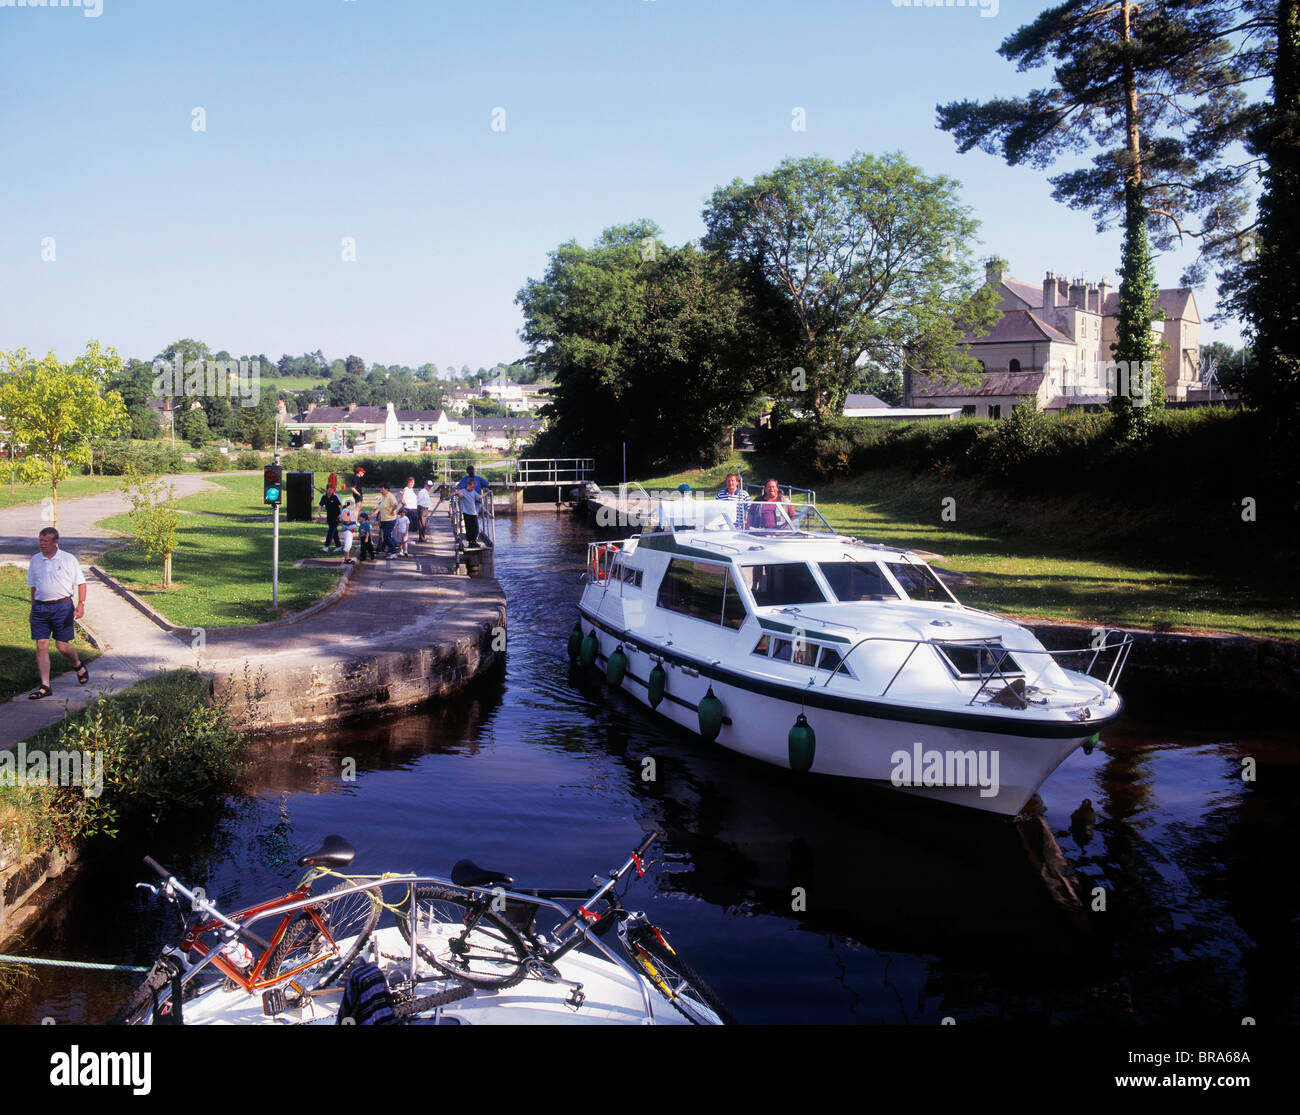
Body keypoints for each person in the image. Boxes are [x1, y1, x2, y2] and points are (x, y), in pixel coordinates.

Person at [26, 527, 88, 699]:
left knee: (61, 646)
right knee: (41, 646)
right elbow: (33, 586)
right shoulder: (35, 560)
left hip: (62, 607)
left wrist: (81, 604)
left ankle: (77, 664)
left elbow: (81, 583)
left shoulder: (68, 559)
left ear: (55, 542)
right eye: (40, 541)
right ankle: (45, 686)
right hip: (40, 608)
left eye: (45, 541)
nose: (42, 544)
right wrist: (33, 608)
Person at [458, 475, 484, 548]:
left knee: (475, 528)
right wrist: (458, 494)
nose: (472, 489)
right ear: (468, 485)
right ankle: (470, 542)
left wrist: (487, 493)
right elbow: (453, 494)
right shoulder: (463, 491)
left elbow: (479, 497)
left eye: (474, 488)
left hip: (473, 512)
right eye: (472, 487)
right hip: (466, 513)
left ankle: (474, 541)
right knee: (469, 528)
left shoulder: (473, 492)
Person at [376, 484, 400, 554]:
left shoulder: (390, 496)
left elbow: (395, 504)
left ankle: (393, 551)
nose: (381, 491)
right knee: (388, 536)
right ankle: (394, 546)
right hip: (384, 519)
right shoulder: (383, 497)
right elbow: (381, 508)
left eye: (382, 490)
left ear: (387, 490)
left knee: (386, 536)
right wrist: (379, 518)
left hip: (390, 519)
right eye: (381, 490)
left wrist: (392, 511)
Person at [320, 484, 342, 552]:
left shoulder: (335, 496)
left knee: (330, 531)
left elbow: (341, 505)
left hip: (336, 516)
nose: (330, 491)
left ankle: (326, 546)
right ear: (326, 490)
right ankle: (338, 546)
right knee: (334, 531)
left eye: (331, 490)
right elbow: (320, 505)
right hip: (329, 517)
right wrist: (319, 512)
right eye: (329, 490)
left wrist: (340, 514)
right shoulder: (324, 496)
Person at [400, 476, 420, 542]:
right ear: (407, 483)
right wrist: (406, 504)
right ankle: (407, 539)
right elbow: (402, 500)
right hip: (408, 509)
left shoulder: (412, 490)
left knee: (414, 526)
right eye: (410, 483)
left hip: (414, 509)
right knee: (408, 525)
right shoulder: (406, 489)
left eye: (413, 483)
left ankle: (408, 539)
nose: (412, 484)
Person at [339, 498, 357, 564]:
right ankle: (346, 559)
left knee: (349, 544)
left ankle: (347, 558)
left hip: (350, 529)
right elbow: (346, 521)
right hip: (347, 529)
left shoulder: (347, 510)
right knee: (347, 544)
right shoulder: (346, 511)